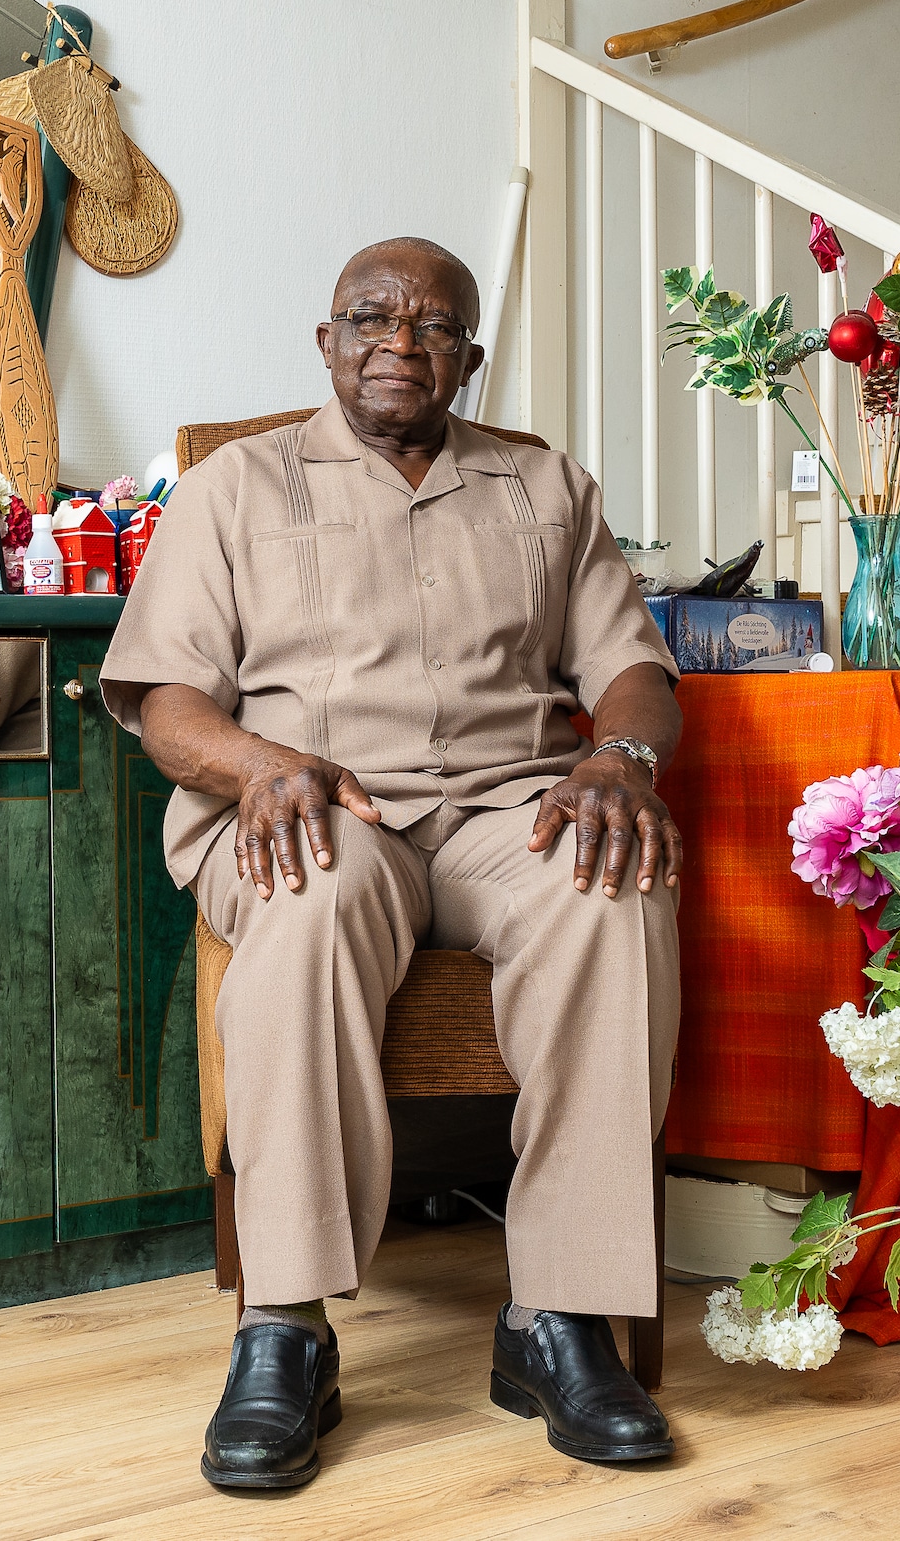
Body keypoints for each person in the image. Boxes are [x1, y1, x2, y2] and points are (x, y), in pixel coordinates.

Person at [100, 237, 686, 1491]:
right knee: (309, 898)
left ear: (467, 356)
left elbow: (629, 665)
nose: (397, 343)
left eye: (430, 327)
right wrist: (259, 763)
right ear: (325, 341)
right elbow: (164, 705)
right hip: (308, 805)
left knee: (608, 888)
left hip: (499, 807)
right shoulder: (236, 487)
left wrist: (621, 756)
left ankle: (557, 1320)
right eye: (370, 318)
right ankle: (286, 1327)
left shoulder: (544, 486)